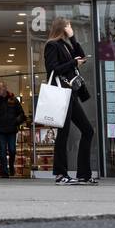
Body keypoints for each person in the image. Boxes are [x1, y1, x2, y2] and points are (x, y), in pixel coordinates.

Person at [46, 18, 96, 185]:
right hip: (61, 93)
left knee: (88, 130)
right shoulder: (52, 45)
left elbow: (81, 56)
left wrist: (73, 37)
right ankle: (60, 174)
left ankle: (84, 174)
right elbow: (53, 69)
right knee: (64, 132)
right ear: (61, 27)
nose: (70, 28)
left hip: (70, 94)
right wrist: (73, 63)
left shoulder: (65, 44)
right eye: (68, 26)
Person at [0, 81, 26, 178]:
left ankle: (11, 166)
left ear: (5, 88)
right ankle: (5, 171)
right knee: (2, 151)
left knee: (12, 150)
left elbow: (21, 114)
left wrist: (16, 121)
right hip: (1, 131)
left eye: (0, 88)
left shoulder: (13, 100)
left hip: (12, 130)